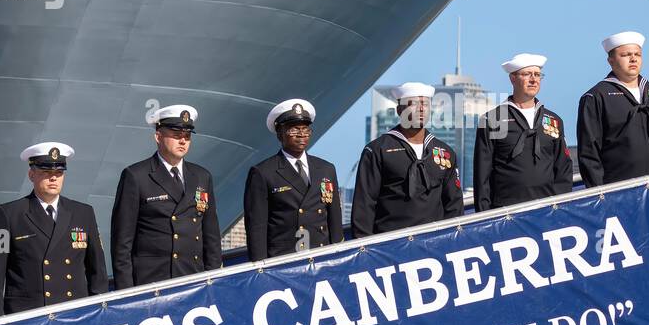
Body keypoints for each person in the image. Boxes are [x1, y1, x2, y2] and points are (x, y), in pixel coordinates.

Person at [0, 142, 108, 317]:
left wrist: (98, 313)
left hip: (75, 314)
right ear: (31, 174)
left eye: (59, 173)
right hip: (29, 318)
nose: (53, 178)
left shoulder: (83, 213)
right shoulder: (9, 215)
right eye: (46, 172)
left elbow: (98, 272)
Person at [111, 104, 221, 289]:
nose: (183, 141)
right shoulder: (137, 176)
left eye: (187, 136)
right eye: (176, 136)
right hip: (152, 280)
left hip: (193, 277)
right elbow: (122, 241)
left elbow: (211, 236)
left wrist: (212, 279)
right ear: (158, 136)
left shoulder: (201, 176)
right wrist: (127, 293)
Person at [576, 31, 649, 187]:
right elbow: (589, 154)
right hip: (617, 190)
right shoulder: (596, 97)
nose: (633, 59)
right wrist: (600, 194)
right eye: (626, 55)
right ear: (611, 61)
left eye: (637, 54)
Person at [352, 82, 462, 236]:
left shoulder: (445, 152)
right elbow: (364, 205)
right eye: (414, 104)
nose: (421, 109)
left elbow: (454, 205)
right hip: (390, 246)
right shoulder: (377, 150)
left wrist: (451, 240)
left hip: (435, 244)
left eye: (425, 104)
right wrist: (364, 251)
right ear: (399, 110)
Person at [243, 99, 344, 261]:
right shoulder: (263, 172)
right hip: (284, 260)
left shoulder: (326, 169)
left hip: (322, 256)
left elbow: (335, 220)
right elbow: (257, 227)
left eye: (305, 130)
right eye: (294, 130)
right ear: (280, 133)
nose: (301, 135)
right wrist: (260, 267)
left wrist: (338, 256)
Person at [473, 53, 572, 210]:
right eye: (527, 74)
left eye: (538, 75)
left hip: (548, 210)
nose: (533, 80)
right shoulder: (493, 120)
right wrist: (483, 217)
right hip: (506, 212)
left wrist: (560, 207)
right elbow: (482, 174)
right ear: (513, 78)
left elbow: (563, 169)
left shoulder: (553, 120)